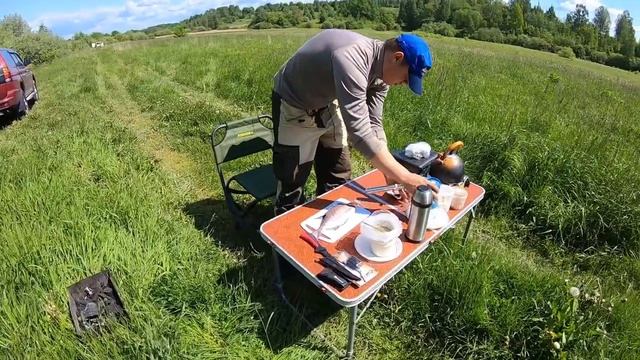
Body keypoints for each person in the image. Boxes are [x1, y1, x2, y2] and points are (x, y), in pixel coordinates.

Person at [271, 29, 437, 215]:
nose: (404, 84)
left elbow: (374, 123)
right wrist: (404, 176)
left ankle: (328, 225)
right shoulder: (352, 57)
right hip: (294, 102)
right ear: (397, 58)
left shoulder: (382, 77)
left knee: (338, 170)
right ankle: (282, 228)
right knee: (292, 178)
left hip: (325, 103)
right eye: (406, 78)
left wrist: (390, 172)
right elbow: (359, 133)